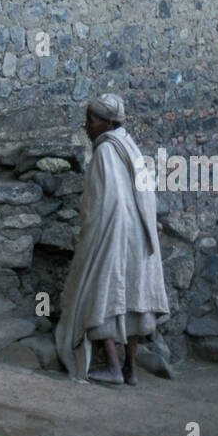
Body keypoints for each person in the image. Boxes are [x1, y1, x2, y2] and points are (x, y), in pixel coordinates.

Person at [54, 93, 169, 385]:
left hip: (114, 234)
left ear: (105, 122)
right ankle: (130, 370)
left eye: (91, 120)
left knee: (100, 293)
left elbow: (106, 202)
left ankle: (114, 367)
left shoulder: (105, 151)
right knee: (133, 299)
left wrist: (93, 234)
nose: (87, 126)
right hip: (139, 236)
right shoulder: (129, 145)